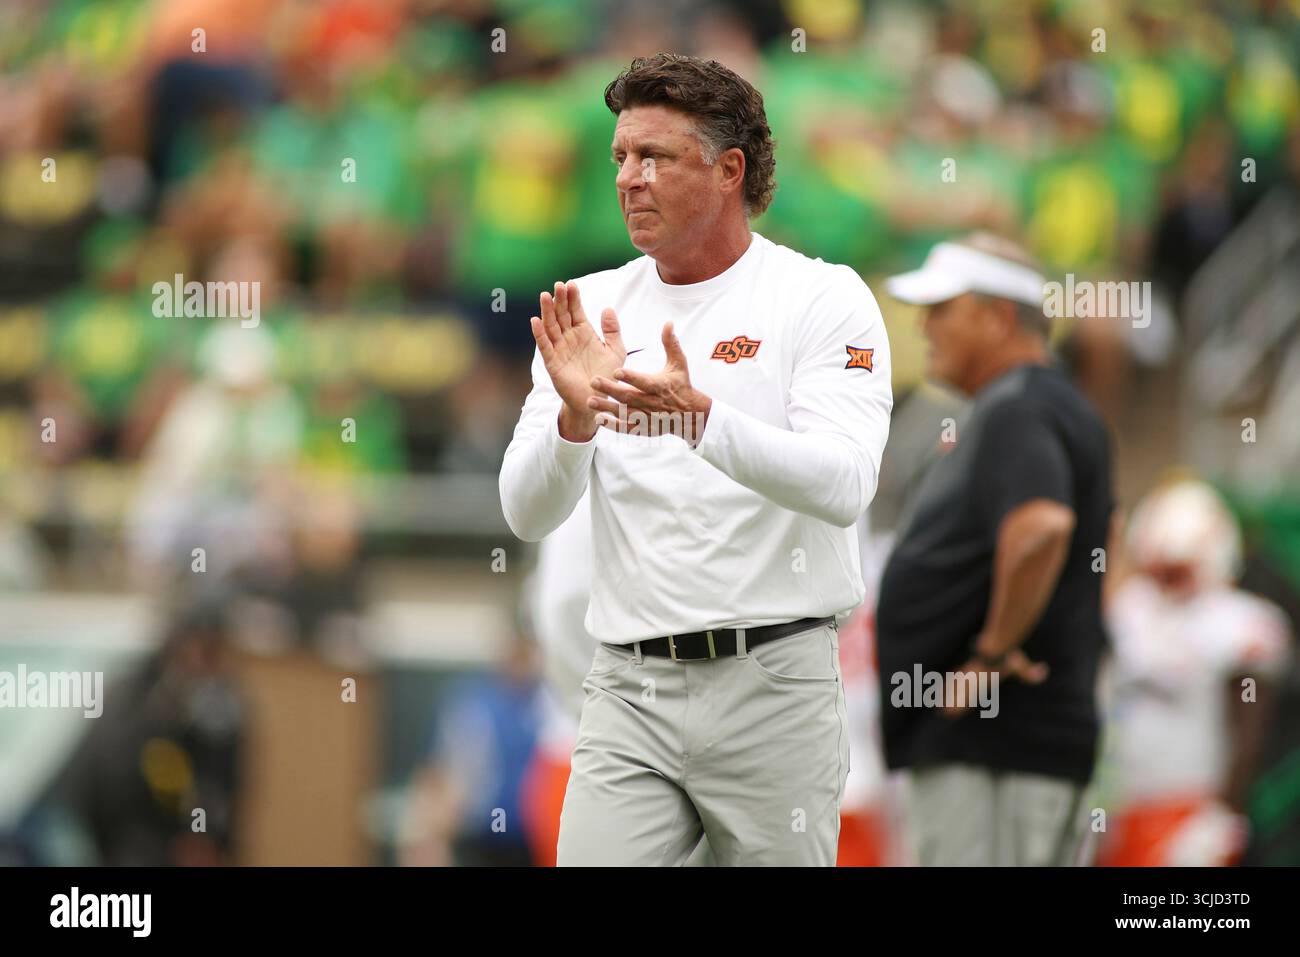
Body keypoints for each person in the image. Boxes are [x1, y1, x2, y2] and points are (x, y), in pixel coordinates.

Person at [498, 53, 893, 866]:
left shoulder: (821, 298)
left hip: (774, 679)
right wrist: (574, 419)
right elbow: (524, 512)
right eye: (620, 158)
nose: (629, 179)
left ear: (728, 169)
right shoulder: (590, 305)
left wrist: (701, 422)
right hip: (628, 685)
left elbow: (845, 481)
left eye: (656, 157)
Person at [875, 233, 1114, 866]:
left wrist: (990, 655)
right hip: (1005, 745)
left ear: (998, 317)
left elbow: (1042, 526)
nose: (925, 325)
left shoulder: (1019, 406)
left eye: (943, 308)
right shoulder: (1044, 405)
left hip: (998, 745)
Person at [1098, 479, 1291, 866]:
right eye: (1160, 569)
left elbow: (1250, 728)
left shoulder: (1239, 621)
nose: (1167, 582)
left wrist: (1225, 810)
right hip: (1120, 804)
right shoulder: (1132, 609)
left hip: (1191, 803)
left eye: (1178, 569)